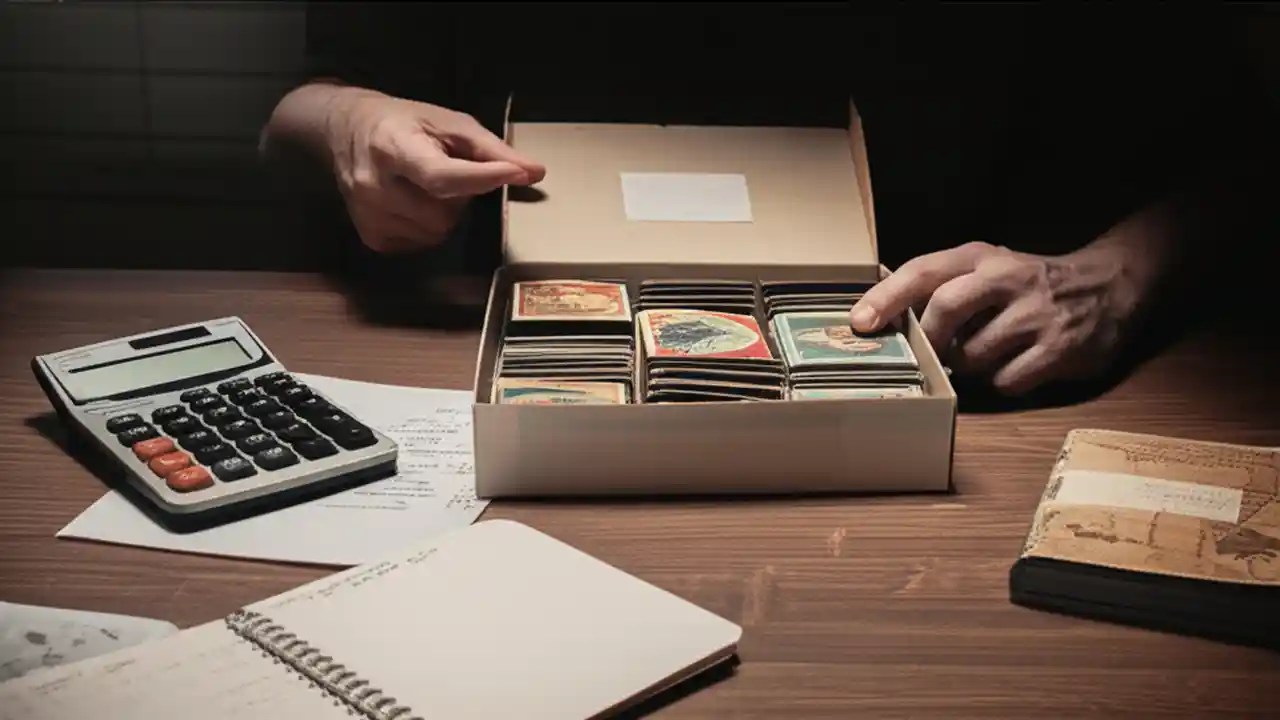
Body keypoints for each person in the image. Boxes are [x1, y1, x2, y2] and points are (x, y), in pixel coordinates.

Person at [261, 3, 1268, 397]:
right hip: (503, 369)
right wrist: (350, 123)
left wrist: (1120, 270)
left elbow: (1242, 140)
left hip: (966, 397)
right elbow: (294, 115)